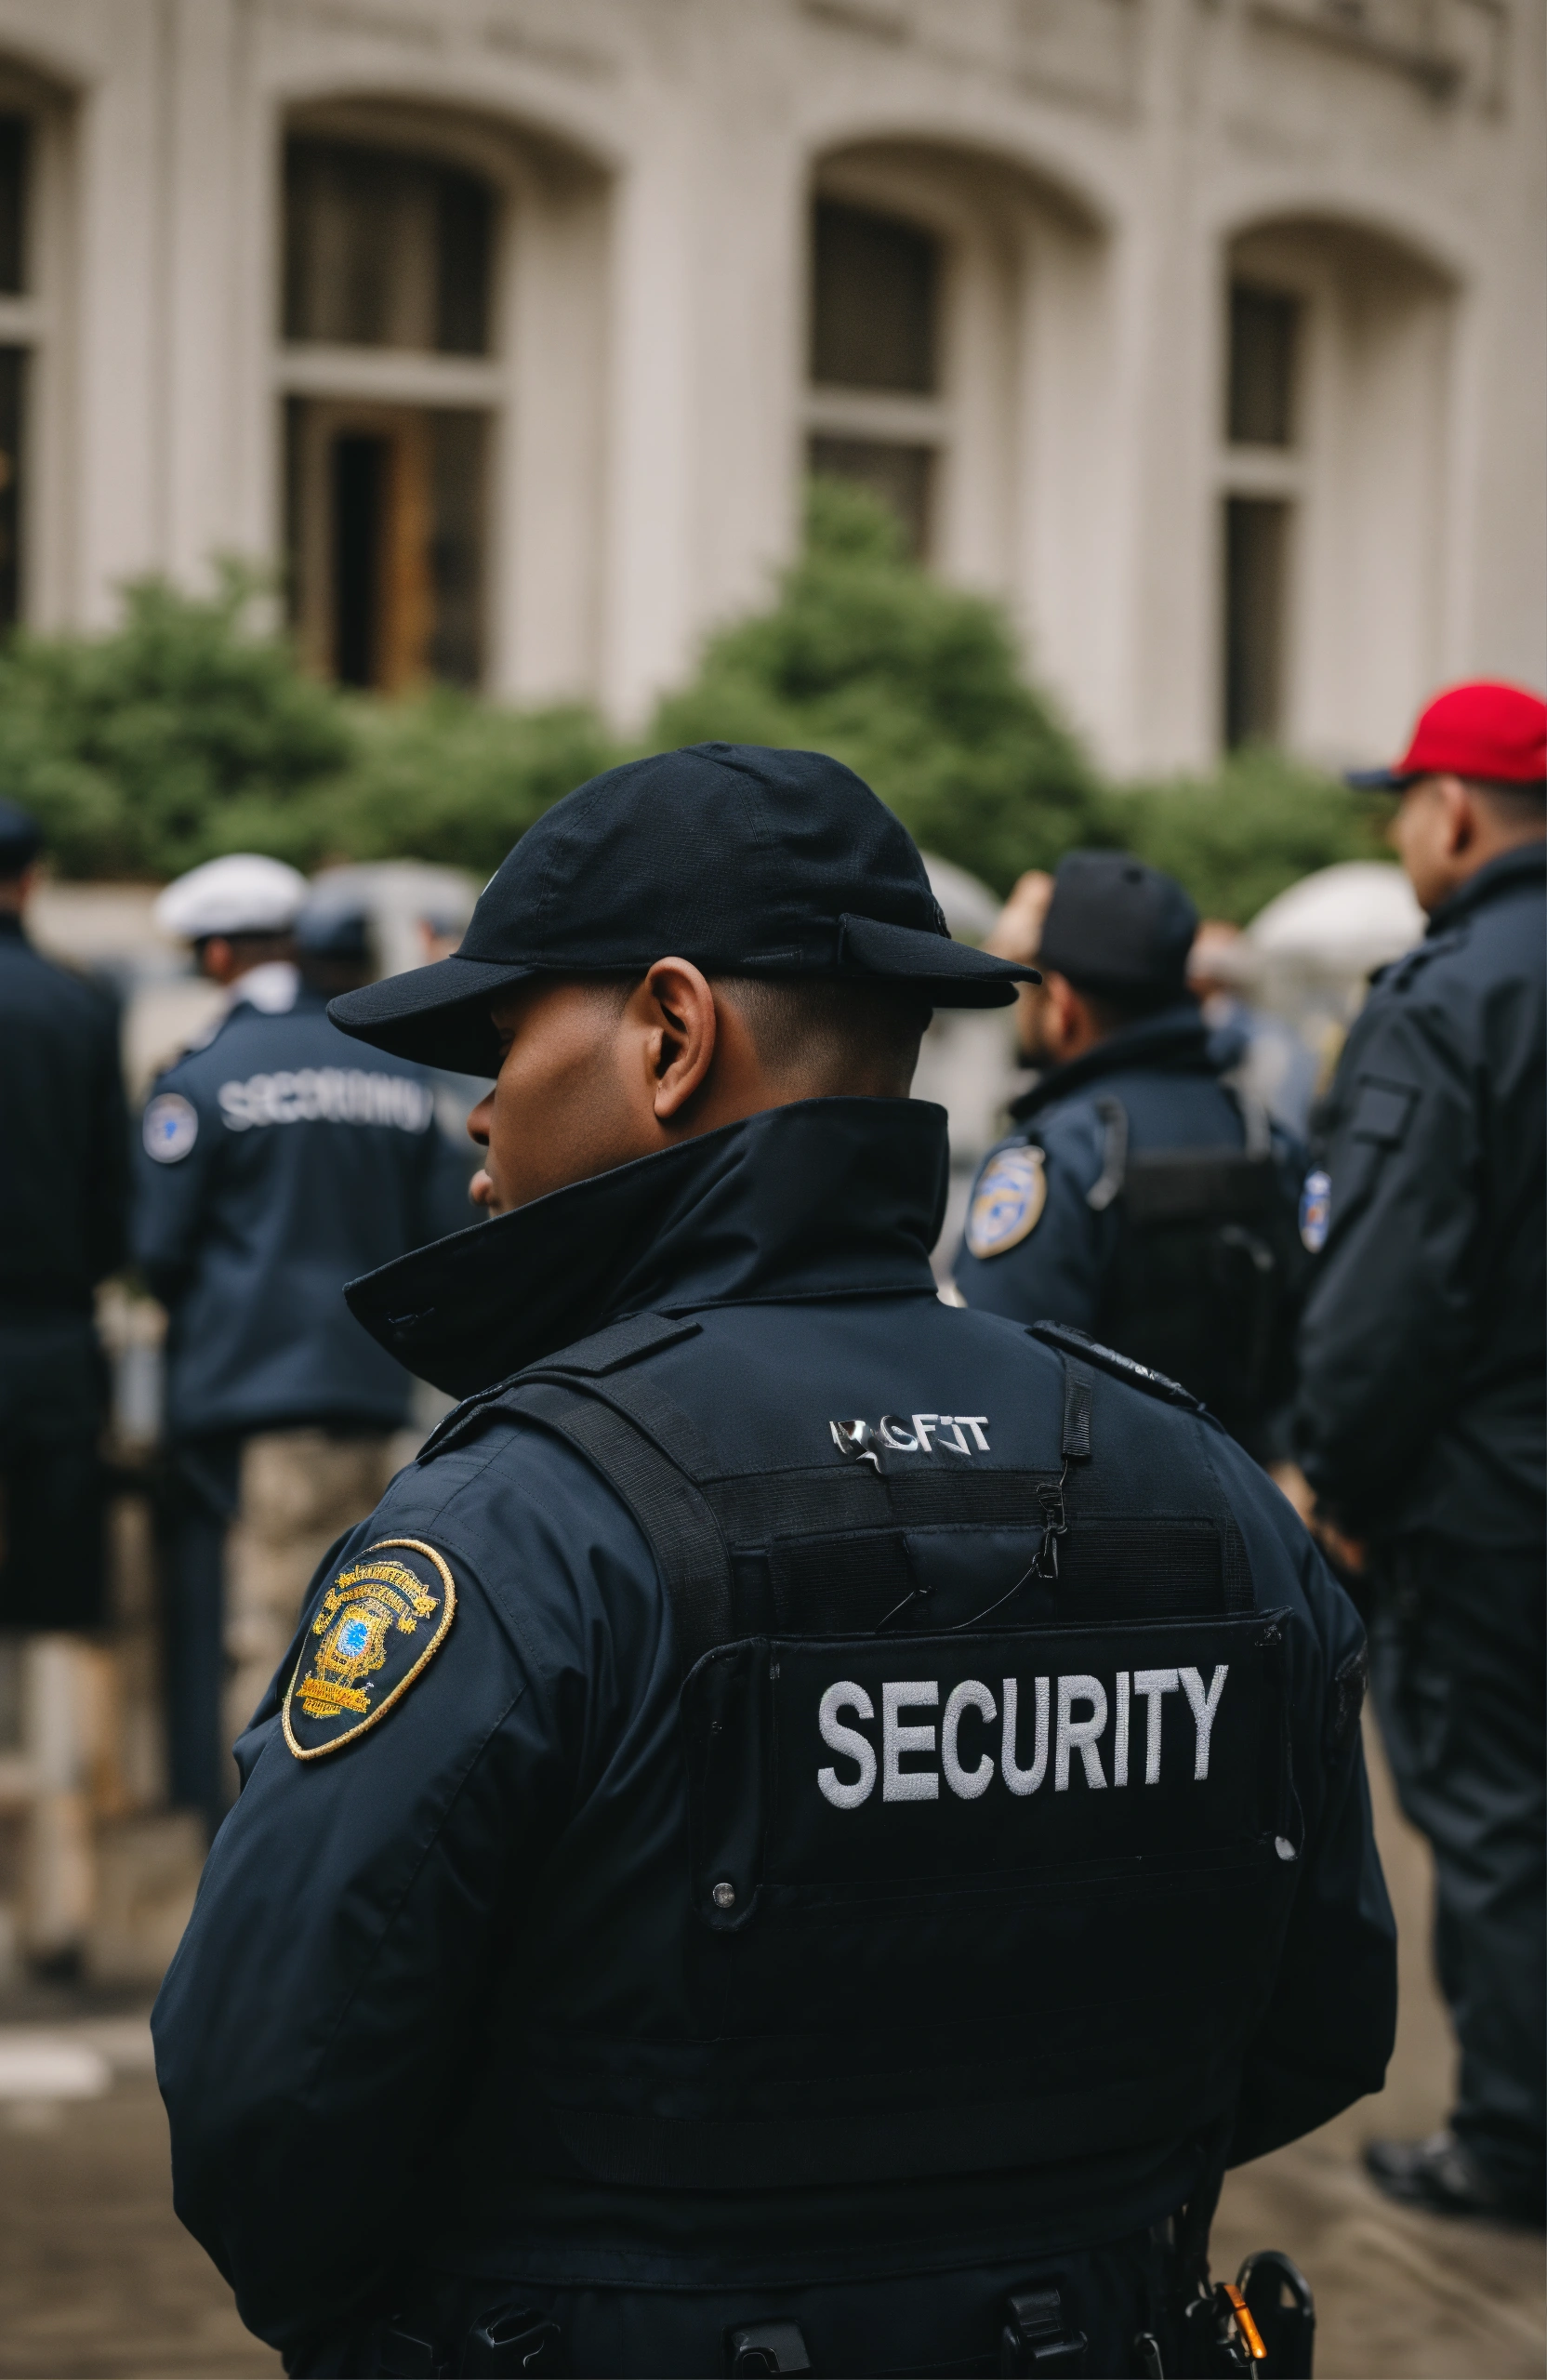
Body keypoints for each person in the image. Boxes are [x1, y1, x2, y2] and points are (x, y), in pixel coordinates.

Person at [152, 746, 1394, 2380]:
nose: (475, 1104)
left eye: (502, 1035)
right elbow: (1318, 2019)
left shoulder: (523, 1525)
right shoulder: (1207, 1491)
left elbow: (266, 2110)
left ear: (669, 1035)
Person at [1293, 679, 1546, 2228]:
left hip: (1483, 1499)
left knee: (1494, 1815)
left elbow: (1384, 1290)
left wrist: (1343, 1482)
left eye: (1401, 803)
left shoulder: (1446, 997)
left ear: (1449, 811)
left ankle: (1514, 2139)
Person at [132, 857, 474, 1837]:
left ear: (220, 951)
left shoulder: (204, 1076)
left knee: (266, 1649)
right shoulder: (402, 1079)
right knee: (382, 1642)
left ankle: (259, 1870)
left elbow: (158, 1248)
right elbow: (440, 1237)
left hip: (251, 1404)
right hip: (377, 1397)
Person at [953, 852, 1306, 1461]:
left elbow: (992, 1386)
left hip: (1105, 1539)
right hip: (1257, 1516)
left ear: (1062, 1006)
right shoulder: (1265, 1137)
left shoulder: (1054, 1160)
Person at [0, 800, 128, 1634]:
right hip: (50, 1337)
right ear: (34, 879)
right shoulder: (79, 1004)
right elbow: (114, 1186)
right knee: (60, 1591)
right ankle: (59, 1765)